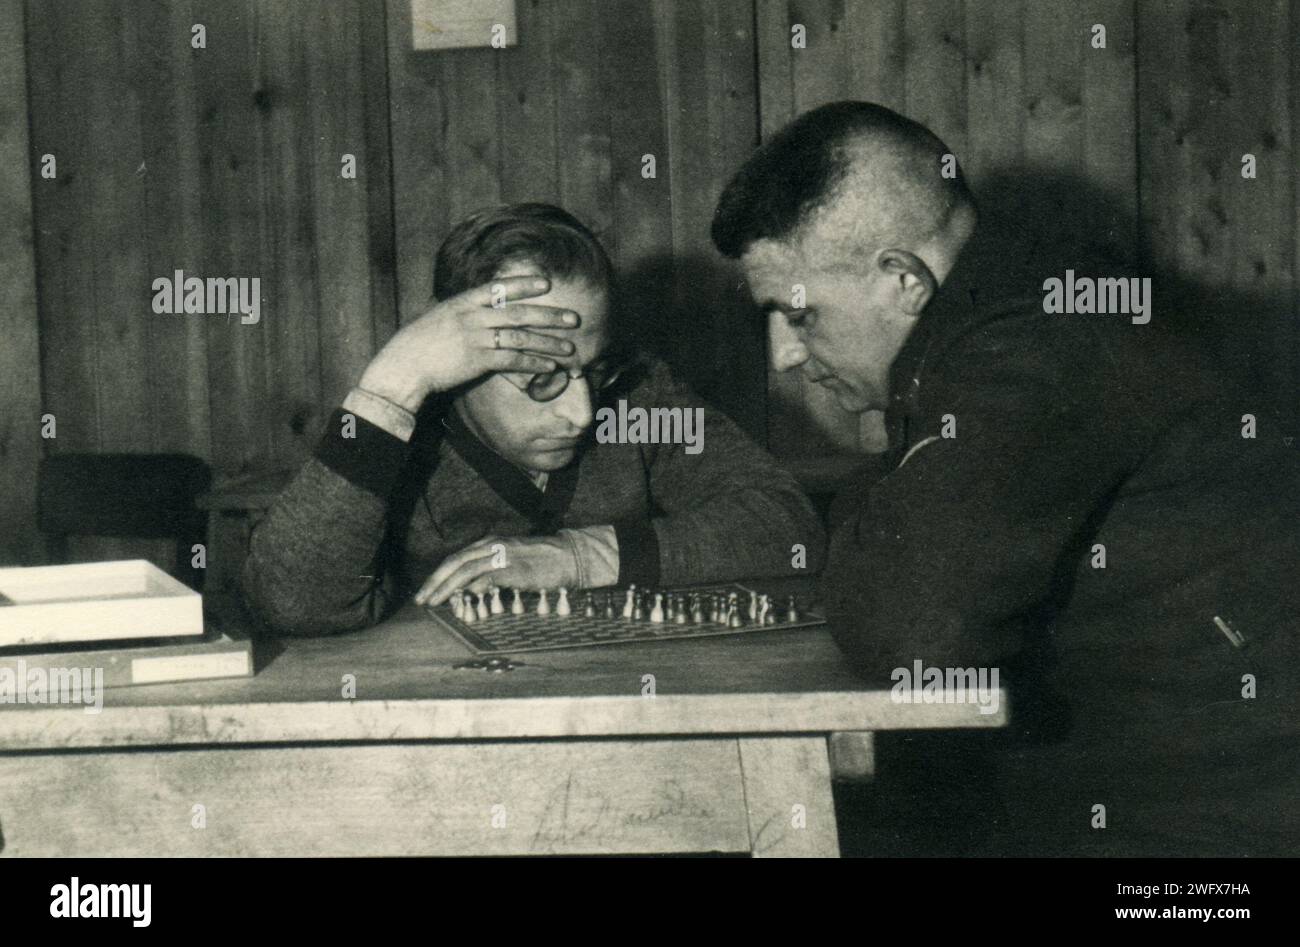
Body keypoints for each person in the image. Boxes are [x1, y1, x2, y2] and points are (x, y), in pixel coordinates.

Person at [711, 100, 1300, 856]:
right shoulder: (1009, 313)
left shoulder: (1028, 350)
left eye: (799, 315)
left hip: (1216, 831)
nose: (784, 356)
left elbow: (916, 630)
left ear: (902, 281)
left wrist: (871, 508)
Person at [242, 203, 823, 636]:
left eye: (592, 373)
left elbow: (788, 527)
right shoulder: (396, 429)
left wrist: (580, 557)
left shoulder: (637, 398)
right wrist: (394, 381)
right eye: (539, 378)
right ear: (459, 364)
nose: (582, 413)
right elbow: (292, 603)